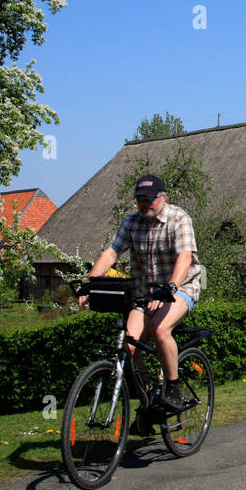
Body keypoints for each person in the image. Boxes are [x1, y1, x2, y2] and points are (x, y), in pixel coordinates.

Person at [80, 174, 204, 412]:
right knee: (128, 345)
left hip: (181, 288)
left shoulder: (179, 219)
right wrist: (90, 283)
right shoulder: (131, 222)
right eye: (139, 199)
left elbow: (185, 257)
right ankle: (147, 403)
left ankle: (173, 387)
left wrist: (171, 287)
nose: (144, 203)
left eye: (149, 198)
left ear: (163, 198)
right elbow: (111, 253)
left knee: (160, 328)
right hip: (145, 294)